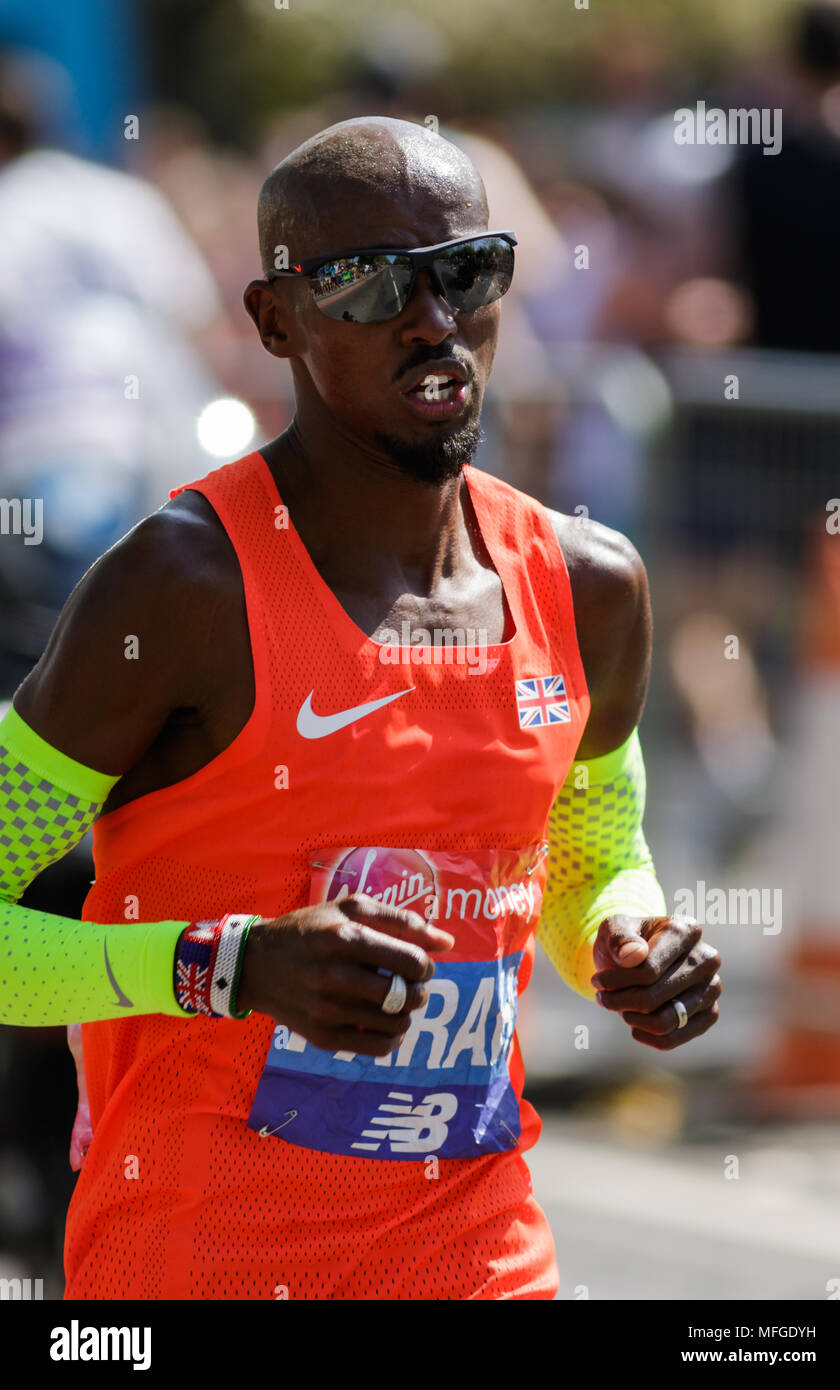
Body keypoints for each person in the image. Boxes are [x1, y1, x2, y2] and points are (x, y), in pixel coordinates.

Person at [0, 117, 721, 1300]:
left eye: (463, 270)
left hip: (474, 1251)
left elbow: (595, 853)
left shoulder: (588, 587)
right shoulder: (182, 587)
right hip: (192, 1262)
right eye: (366, 281)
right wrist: (224, 968)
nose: (430, 317)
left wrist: (624, 944)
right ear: (273, 319)